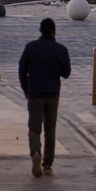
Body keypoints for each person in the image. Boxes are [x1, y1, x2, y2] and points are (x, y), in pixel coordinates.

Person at [18, 18, 71, 178]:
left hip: (34, 94)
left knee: (34, 128)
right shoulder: (61, 49)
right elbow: (66, 73)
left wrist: (26, 89)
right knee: (50, 129)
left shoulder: (30, 48)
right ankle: (47, 164)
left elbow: (21, 70)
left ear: (40, 30)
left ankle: (35, 153)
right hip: (52, 94)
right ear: (54, 31)